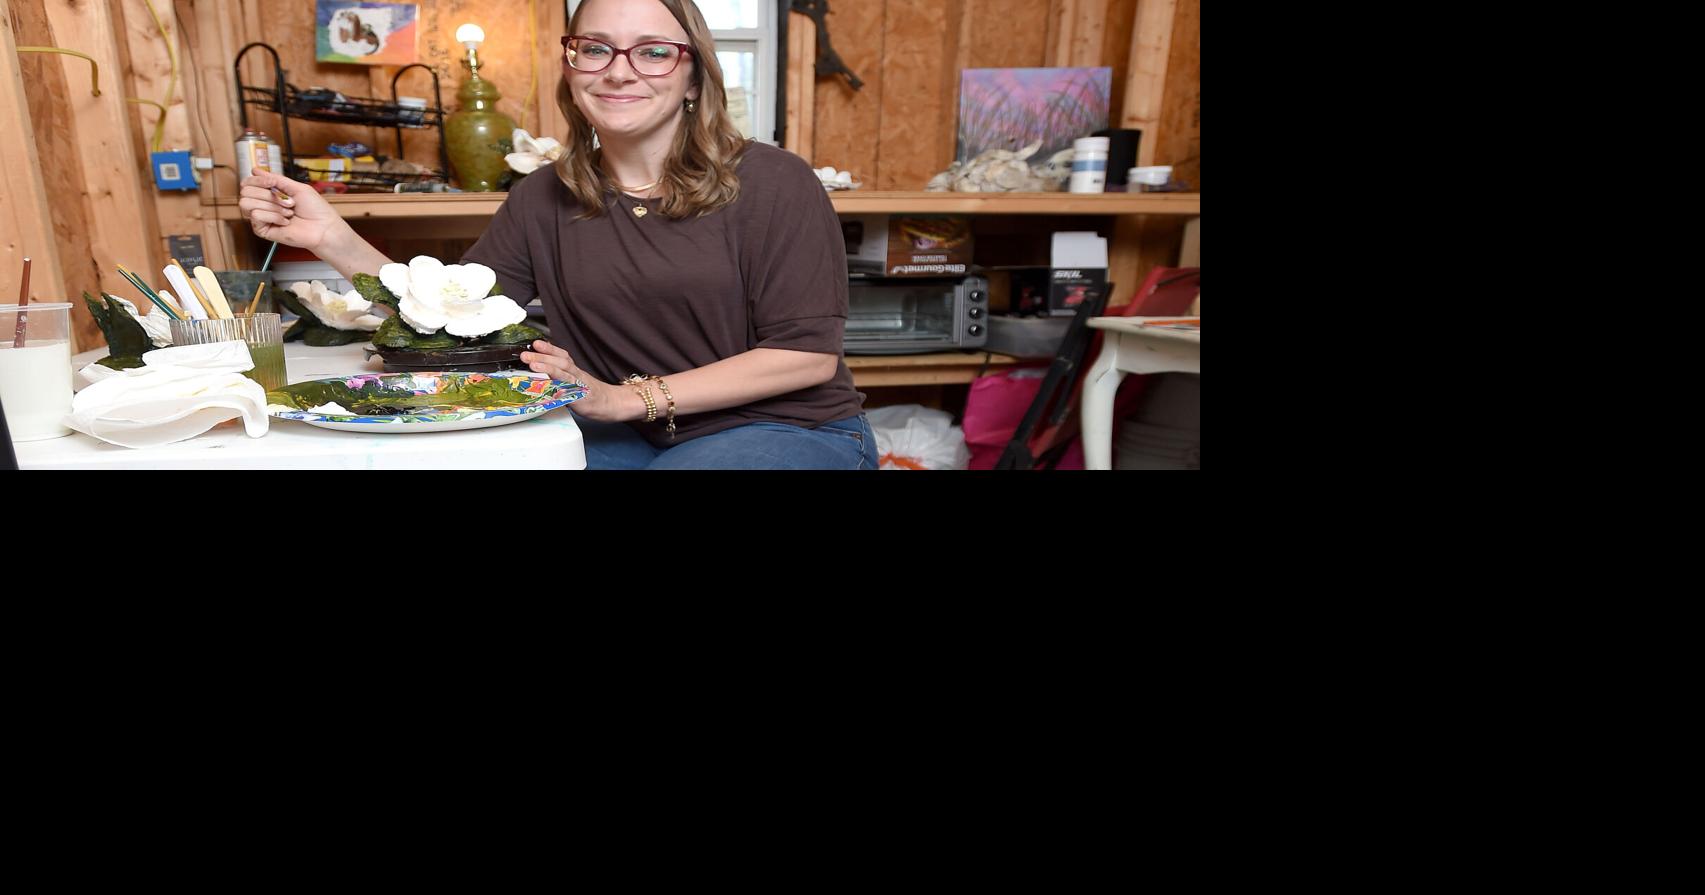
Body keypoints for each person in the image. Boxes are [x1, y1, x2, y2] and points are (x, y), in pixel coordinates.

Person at [238, 0, 875, 469]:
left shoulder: (774, 181)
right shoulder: (543, 195)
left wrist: (625, 401)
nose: (620, 72)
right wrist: (333, 238)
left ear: (692, 76)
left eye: (653, 51)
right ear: (572, 67)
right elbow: (453, 320)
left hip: (788, 429)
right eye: (595, 48)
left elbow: (807, 354)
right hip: (631, 434)